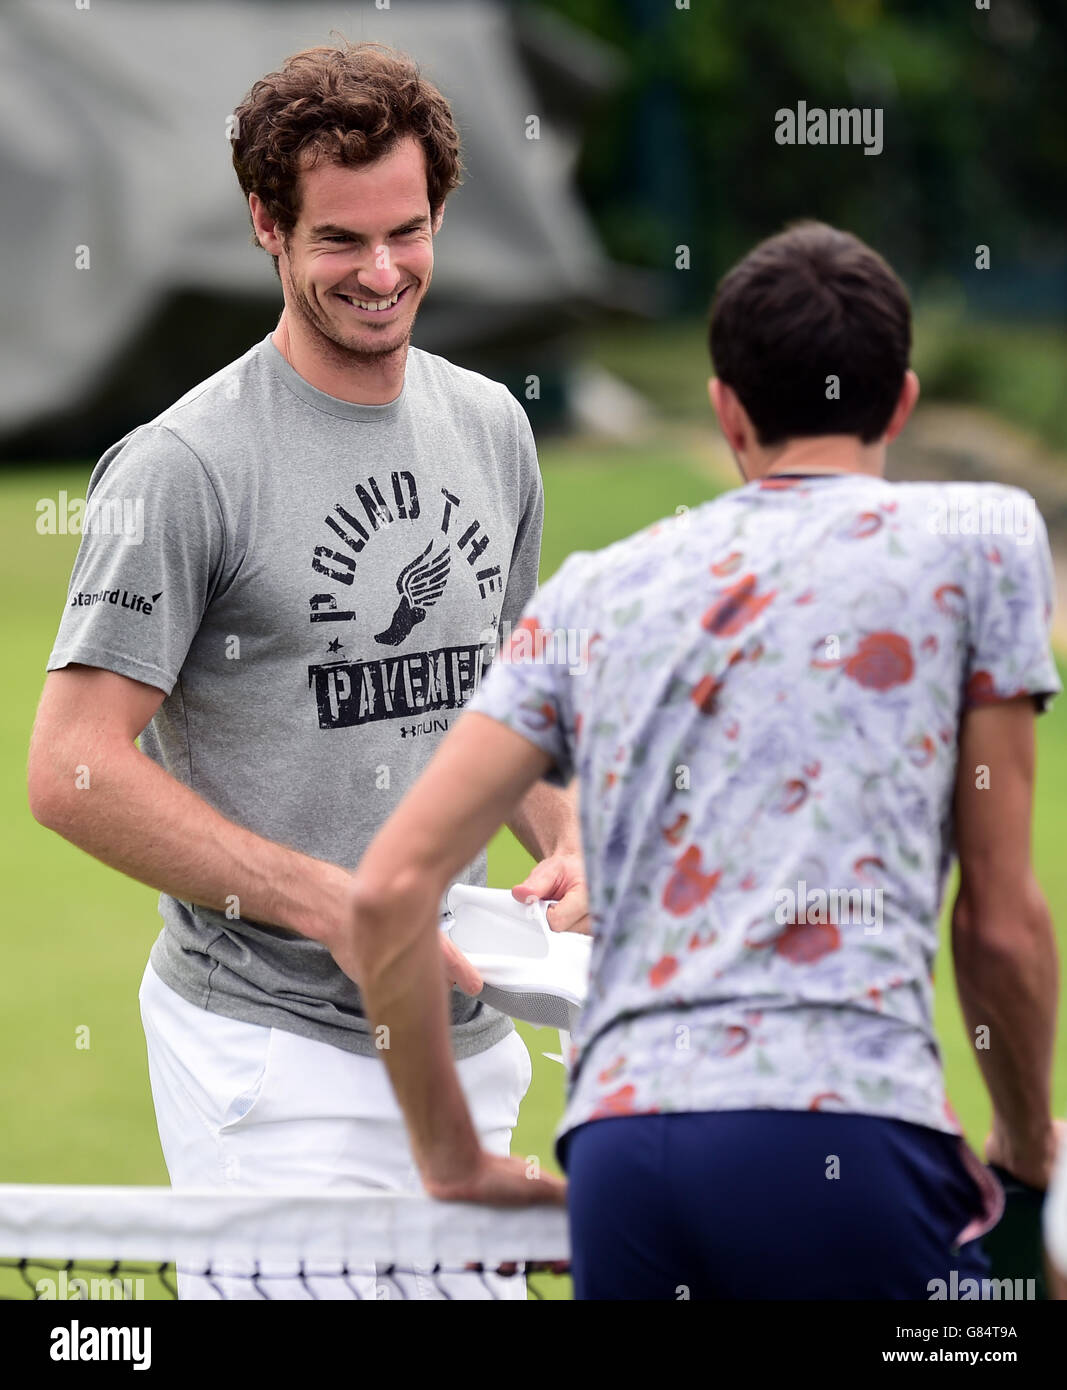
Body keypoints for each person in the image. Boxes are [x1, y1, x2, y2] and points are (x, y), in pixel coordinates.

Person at [335, 222, 1063, 1299]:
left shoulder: (593, 589)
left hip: (626, 1158)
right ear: (900, 402)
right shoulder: (981, 539)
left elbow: (389, 889)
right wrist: (1025, 1150)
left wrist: (448, 1157)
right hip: (848, 1140)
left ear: (725, 411)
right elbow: (996, 922)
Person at [29, 40, 575, 1299]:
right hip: (270, 1061)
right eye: (340, 240)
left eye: (409, 231)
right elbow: (69, 770)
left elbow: (504, 686)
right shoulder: (181, 466)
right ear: (267, 225)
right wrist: (338, 905)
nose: (383, 273)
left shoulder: (490, 425)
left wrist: (567, 828)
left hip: (468, 1039)